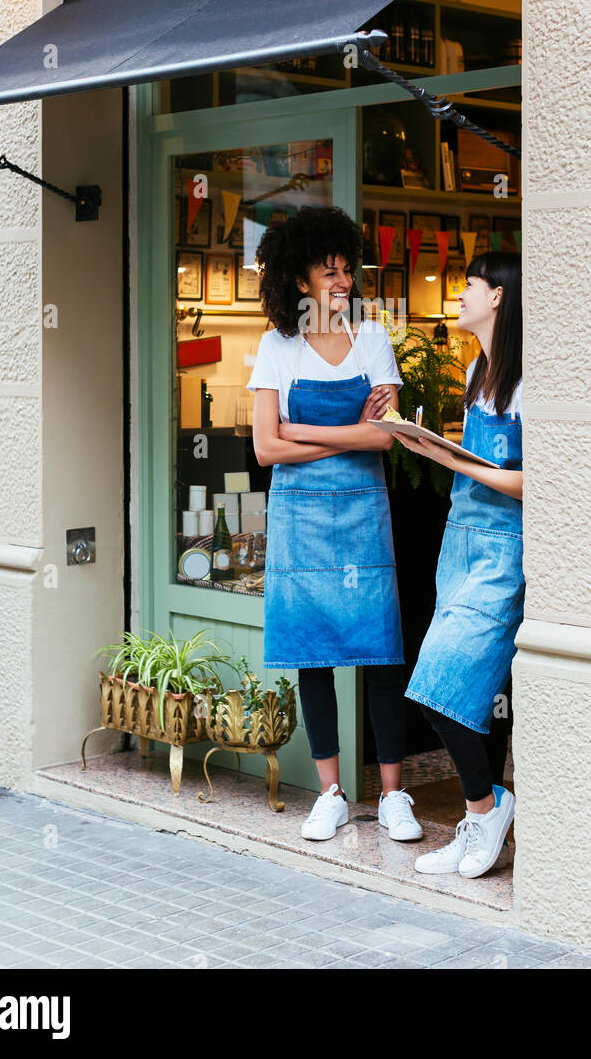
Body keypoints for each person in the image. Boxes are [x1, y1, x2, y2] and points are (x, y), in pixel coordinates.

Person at [247, 206, 422, 845]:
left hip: (362, 514)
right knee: (314, 657)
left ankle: (394, 795)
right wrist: (353, 436)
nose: (342, 282)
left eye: (347, 270)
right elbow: (266, 450)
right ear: (300, 280)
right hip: (299, 518)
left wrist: (306, 431)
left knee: (381, 656)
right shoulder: (277, 346)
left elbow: (391, 437)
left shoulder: (373, 338)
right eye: (329, 272)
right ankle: (332, 795)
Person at [399, 251, 523, 879]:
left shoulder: (530, 378)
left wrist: (455, 463)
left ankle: (488, 805)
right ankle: (478, 826)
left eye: (469, 285)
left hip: (503, 548)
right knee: (475, 696)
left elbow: (535, 482)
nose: (460, 295)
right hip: (459, 541)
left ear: (497, 296)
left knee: (437, 686)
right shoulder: (480, 367)